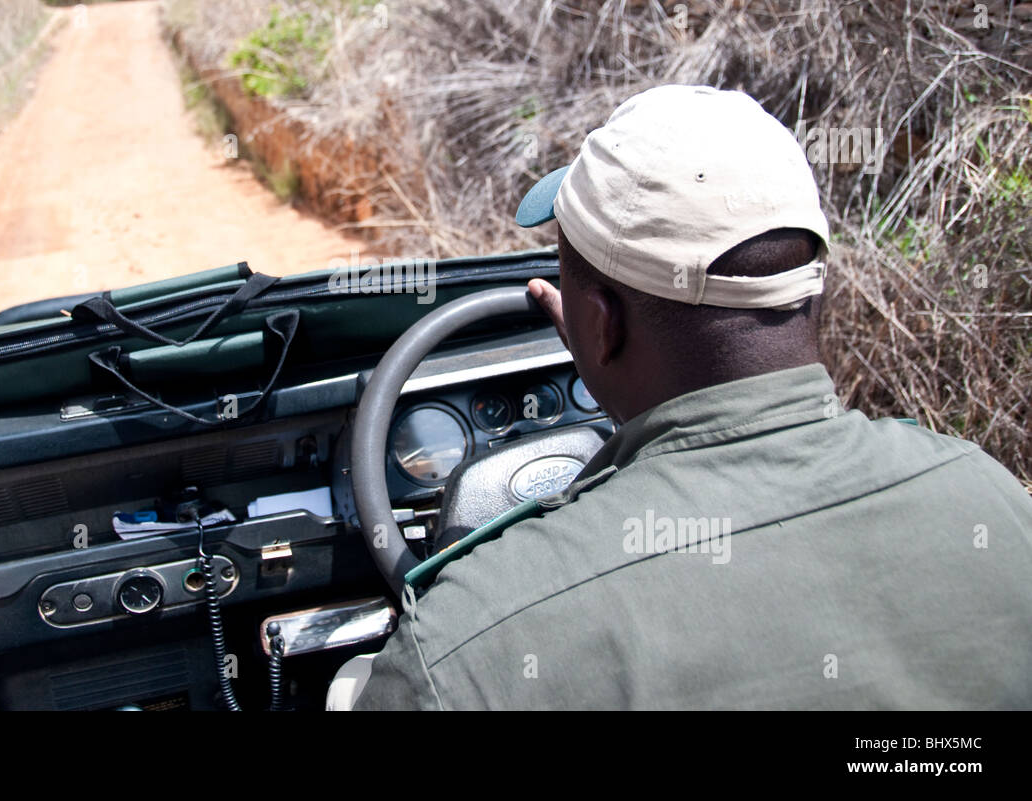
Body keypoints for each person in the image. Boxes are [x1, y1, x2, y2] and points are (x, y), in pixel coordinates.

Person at [344, 84, 1032, 710]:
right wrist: (632, 394)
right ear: (815, 288)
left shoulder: (462, 656)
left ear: (602, 323)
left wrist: (612, 374)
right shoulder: (993, 501)